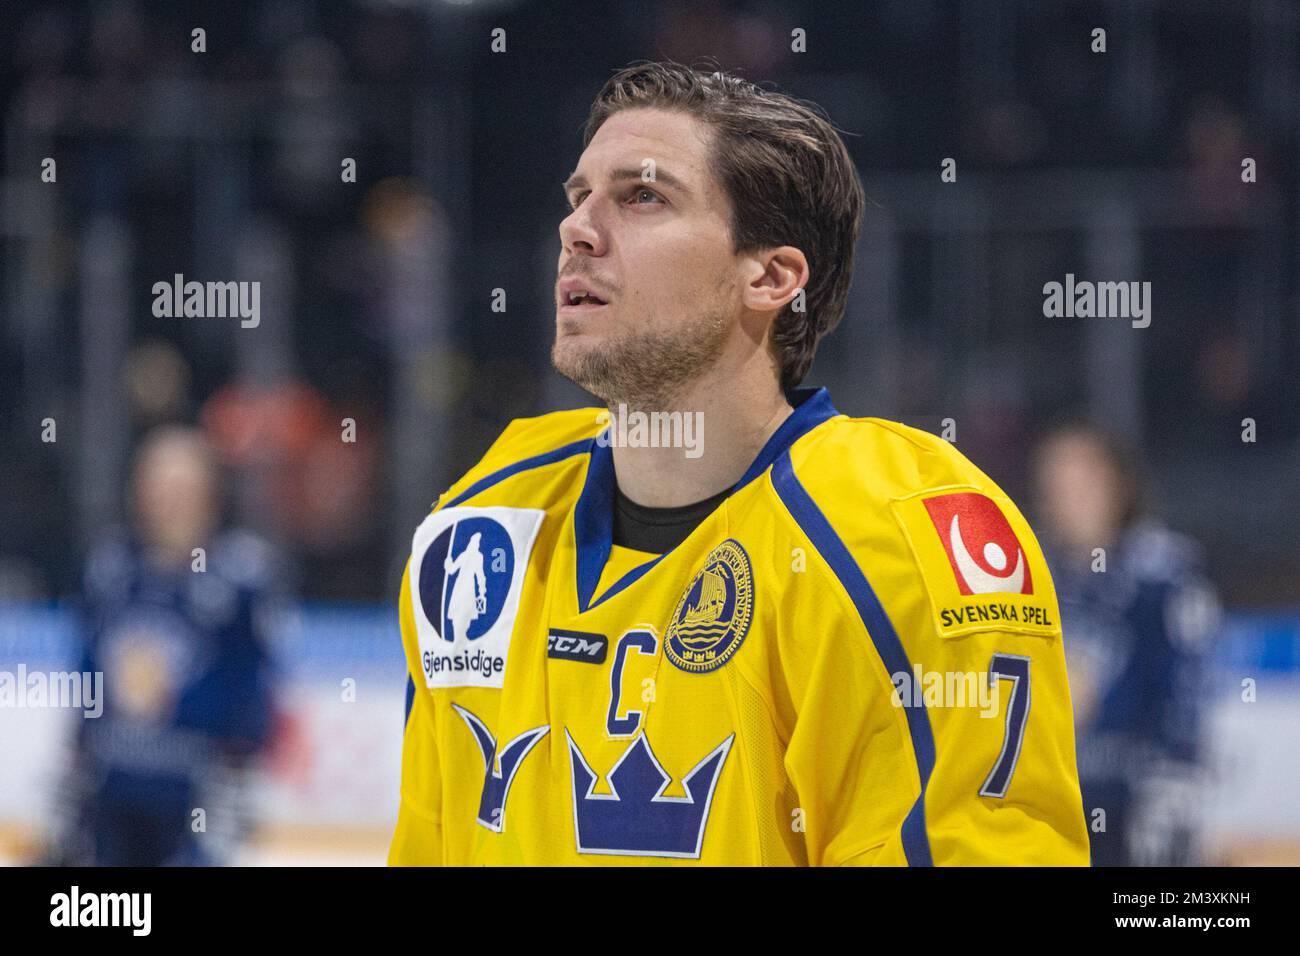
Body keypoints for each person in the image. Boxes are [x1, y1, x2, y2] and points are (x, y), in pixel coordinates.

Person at [389, 62, 1089, 865]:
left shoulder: (892, 531)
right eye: (578, 195)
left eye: (642, 196)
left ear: (771, 277)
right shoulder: (486, 525)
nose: (577, 229)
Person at [51, 425, 281, 866]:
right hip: (112, 788)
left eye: (183, 488)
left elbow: (255, 684)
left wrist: (240, 769)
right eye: (158, 486)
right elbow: (88, 672)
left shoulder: (240, 578)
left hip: (196, 794)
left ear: (212, 494)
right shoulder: (110, 567)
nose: (169, 501)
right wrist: (77, 760)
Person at [1032, 422, 1220, 866]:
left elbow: (1189, 689)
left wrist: (1174, 782)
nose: (1067, 499)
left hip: (1143, 792)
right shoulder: (1036, 571)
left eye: (1081, 483)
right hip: (1062, 791)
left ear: (1117, 485)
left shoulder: (1161, 570)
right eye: (1055, 486)